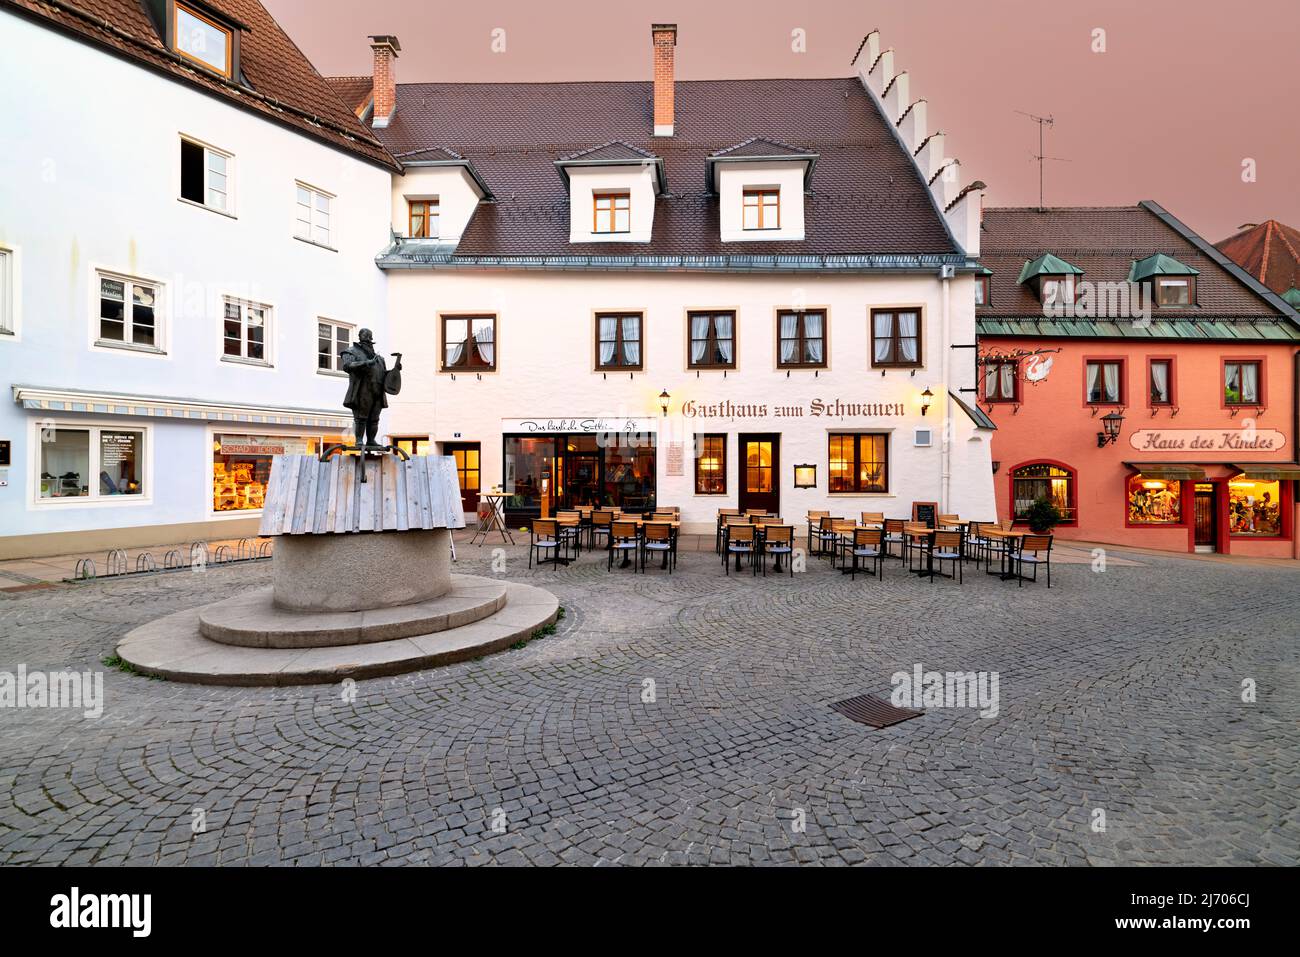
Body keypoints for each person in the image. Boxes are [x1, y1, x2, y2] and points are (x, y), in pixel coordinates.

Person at [340, 328, 401, 449]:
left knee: (374, 419)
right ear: (360, 338)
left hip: (378, 391)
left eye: (369, 339)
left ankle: (371, 440)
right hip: (362, 390)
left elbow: (384, 375)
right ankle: (359, 440)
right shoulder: (350, 351)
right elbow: (347, 366)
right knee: (361, 418)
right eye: (365, 338)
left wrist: (395, 370)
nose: (368, 341)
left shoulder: (379, 359)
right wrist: (366, 363)